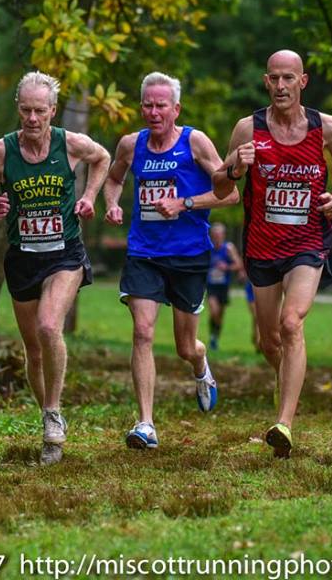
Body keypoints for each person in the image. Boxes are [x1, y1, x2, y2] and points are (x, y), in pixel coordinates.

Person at [213, 49, 332, 458]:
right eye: (273, 78)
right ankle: (291, 383)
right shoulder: (247, 129)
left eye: (288, 78)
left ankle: (284, 422)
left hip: (308, 242)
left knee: (292, 324)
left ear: (302, 82)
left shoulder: (324, 127)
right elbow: (223, 188)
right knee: (268, 339)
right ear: (265, 81)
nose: (280, 86)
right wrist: (237, 167)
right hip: (261, 247)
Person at [0, 71, 110, 465]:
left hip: (65, 254)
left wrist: (89, 196)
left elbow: (103, 158)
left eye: (40, 112)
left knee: (50, 326)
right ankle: (50, 413)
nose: (32, 119)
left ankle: (52, 417)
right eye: (26, 110)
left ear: (52, 111)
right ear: (19, 109)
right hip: (22, 257)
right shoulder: (2, 151)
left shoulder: (71, 144)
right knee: (33, 350)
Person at [103, 71, 239, 450]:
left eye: (161, 104)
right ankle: (145, 423)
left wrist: (185, 203)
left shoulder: (194, 142)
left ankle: (200, 365)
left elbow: (230, 195)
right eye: (147, 104)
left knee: (184, 346)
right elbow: (114, 178)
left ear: (175, 108)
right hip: (144, 253)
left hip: (189, 255)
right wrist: (112, 204)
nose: (153, 111)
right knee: (143, 332)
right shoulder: (131, 145)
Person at [206, 222, 244, 351]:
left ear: (223, 235)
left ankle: (215, 337)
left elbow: (239, 265)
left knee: (220, 315)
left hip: (224, 286)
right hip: (211, 286)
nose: (217, 237)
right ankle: (212, 336)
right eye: (214, 235)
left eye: (219, 235)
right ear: (211, 235)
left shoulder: (228, 248)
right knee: (213, 310)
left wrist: (226, 267)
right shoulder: (207, 247)